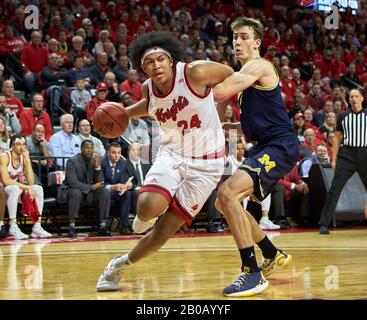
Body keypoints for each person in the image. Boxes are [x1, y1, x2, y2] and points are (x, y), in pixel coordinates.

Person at [96, 31, 233, 292]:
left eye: (161, 59)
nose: (156, 65)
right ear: (142, 68)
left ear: (171, 61)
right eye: (149, 62)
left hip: (207, 163)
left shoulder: (195, 72)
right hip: (173, 153)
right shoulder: (148, 88)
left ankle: (118, 265)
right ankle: (143, 217)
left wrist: (220, 109)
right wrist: (121, 115)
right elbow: (149, 106)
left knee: (165, 230)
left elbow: (229, 74)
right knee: (147, 207)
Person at [212, 17, 298, 296]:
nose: (237, 41)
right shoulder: (244, 79)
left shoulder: (259, 66)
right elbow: (229, 113)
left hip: (280, 145)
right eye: (235, 37)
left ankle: (252, 273)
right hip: (262, 146)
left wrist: (191, 84)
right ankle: (271, 253)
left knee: (227, 194)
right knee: (225, 203)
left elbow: (221, 91)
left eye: (244, 36)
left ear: (257, 42)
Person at [319, 88, 367, 234]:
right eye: (351, 97)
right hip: (347, 155)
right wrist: (334, 159)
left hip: (365, 153)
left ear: (362, 98)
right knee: (334, 189)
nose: (353, 99)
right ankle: (324, 224)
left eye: (356, 96)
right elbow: (337, 138)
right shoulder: (343, 116)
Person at [0, 135, 52, 240]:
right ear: (12, 146)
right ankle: (13, 226)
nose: (22, 147)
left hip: (15, 191)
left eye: (24, 144)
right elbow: (6, 181)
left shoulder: (24, 157)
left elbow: (31, 182)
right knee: (14, 188)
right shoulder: (4, 157)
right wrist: (27, 187)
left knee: (38, 189)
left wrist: (28, 162)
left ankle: (37, 226)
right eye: (19, 144)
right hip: (2, 190)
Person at [57, 140, 111, 238]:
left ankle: (103, 226)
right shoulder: (72, 161)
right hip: (70, 191)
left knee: (105, 192)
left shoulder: (94, 161)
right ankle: (71, 226)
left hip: (87, 193)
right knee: (76, 192)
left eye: (91, 148)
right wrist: (91, 187)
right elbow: (73, 183)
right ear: (81, 149)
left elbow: (101, 183)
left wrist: (98, 167)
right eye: (87, 148)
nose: (90, 150)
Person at [102, 142, 132, 235]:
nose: (117, 156)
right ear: (108, 153)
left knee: (127, 194)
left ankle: (123, 225)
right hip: (103, 191)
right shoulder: (102, 162)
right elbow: (98, 182)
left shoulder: (123, 163)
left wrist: (127, 185)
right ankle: (103, 225)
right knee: (105, 193)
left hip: (116, 192)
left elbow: (124, 179)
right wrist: (112, 187)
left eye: (119, 153)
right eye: (114, 153)